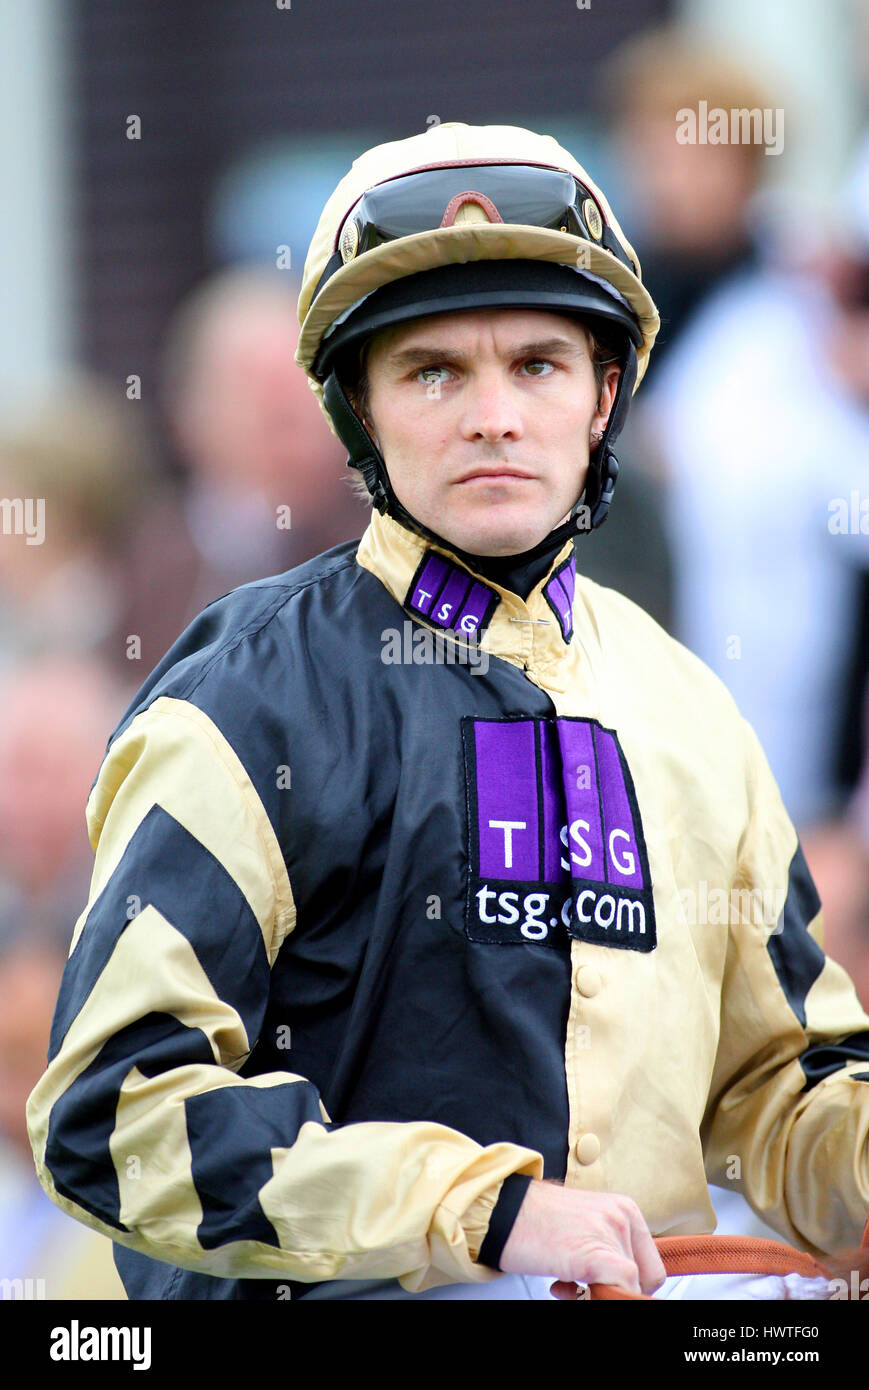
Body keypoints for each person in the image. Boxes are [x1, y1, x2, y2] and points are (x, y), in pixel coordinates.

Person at [26, 122, 869, 1302]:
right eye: (432, 372)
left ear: (601, 396)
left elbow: (779, 1089)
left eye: (536, 364)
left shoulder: (689, 706)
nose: (492, 416)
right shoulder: (247, 695)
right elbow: (108, 1115)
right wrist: (479, 1209)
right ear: (360, 411)